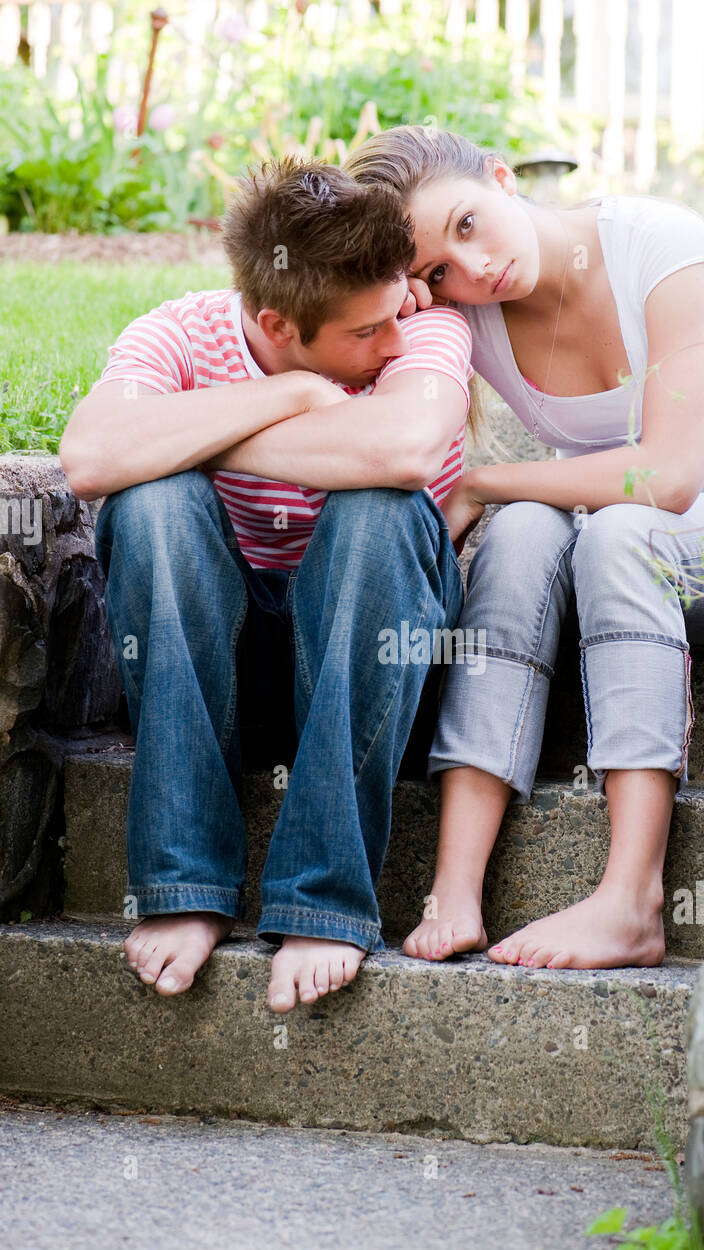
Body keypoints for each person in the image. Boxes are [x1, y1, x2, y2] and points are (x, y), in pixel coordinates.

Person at [344, 125, 704, 971]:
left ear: (499, 177)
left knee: (613, 529)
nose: (473, 267)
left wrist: (486, 483)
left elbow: (668, 479)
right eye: (436, 271)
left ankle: (631, 898)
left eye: (466, 224)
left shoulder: (662, 247)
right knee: (530, 531)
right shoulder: (465, 314)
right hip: (613, 542)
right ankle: (455, 886)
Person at [58, 156, 472, 1011]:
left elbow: (399, 452)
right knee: (156, 503)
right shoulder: (176, 333)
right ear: (278, 323)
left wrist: (186, 434)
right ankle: (182, 887)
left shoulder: (422, 324)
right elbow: (93, 456)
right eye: (364, 335)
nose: (395, 339)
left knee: (376, 510)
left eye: (395, 310)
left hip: (380, 663)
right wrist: (292, 396)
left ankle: (323, 897)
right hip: (231, 668)